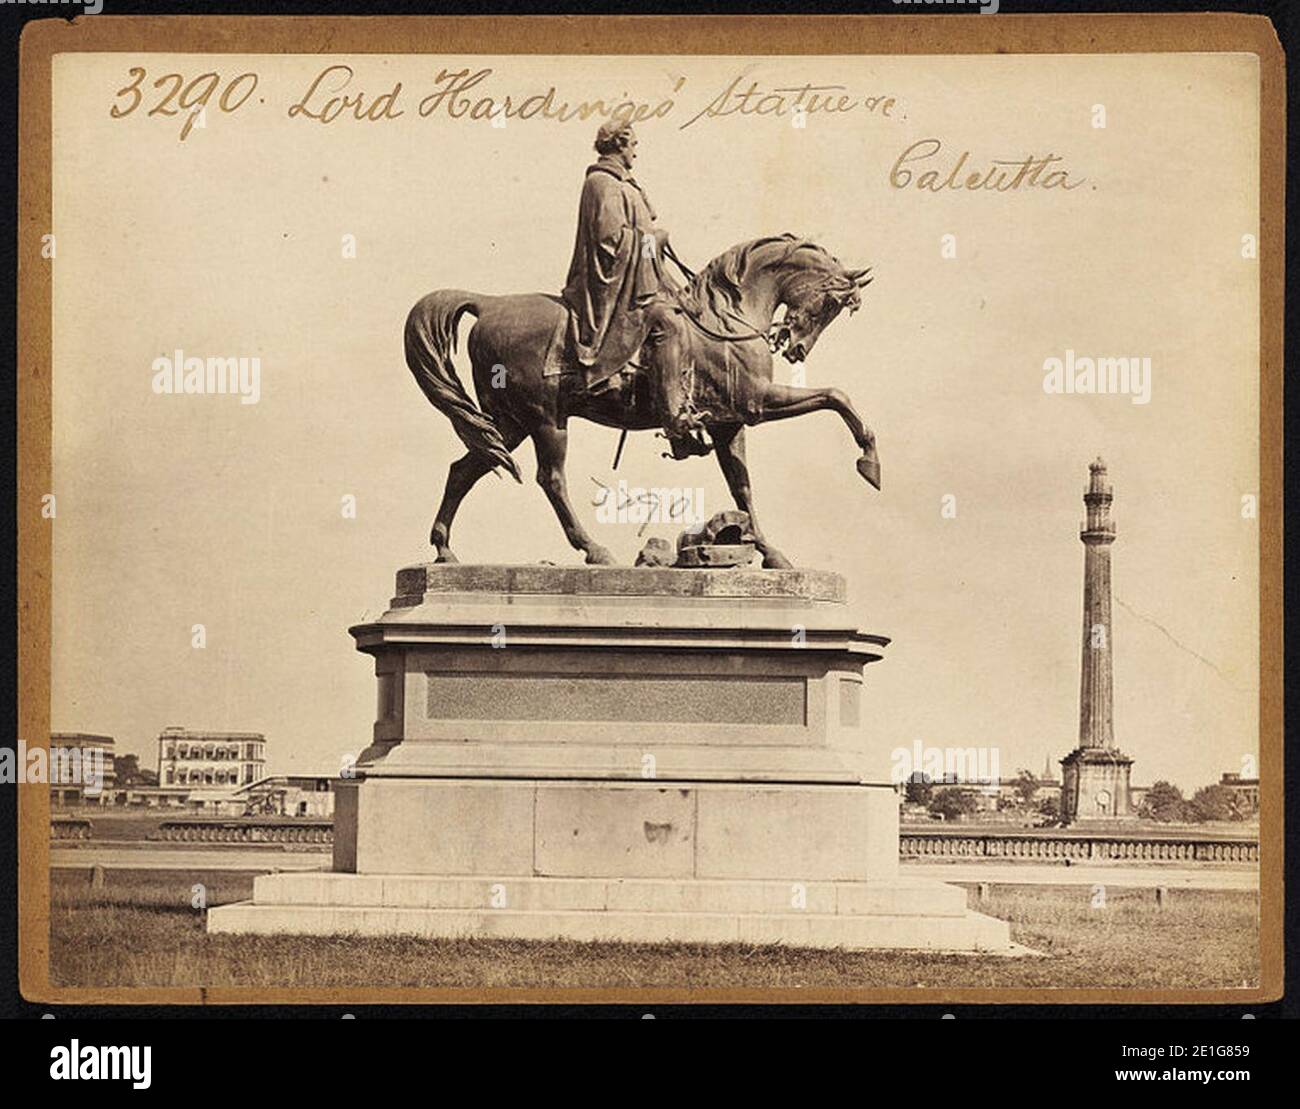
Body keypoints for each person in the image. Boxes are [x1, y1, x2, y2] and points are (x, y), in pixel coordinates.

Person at [562, 121, 708, 458]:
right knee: (666, 322)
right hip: (610, 286)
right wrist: (653, 239)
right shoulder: (601, 183)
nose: (636, 151)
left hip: (635, 277)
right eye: (633, 144)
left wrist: (654, 247)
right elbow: (611, 240)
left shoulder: (624, 183)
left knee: (687, 310)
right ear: (620, 143)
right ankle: (674, 421)